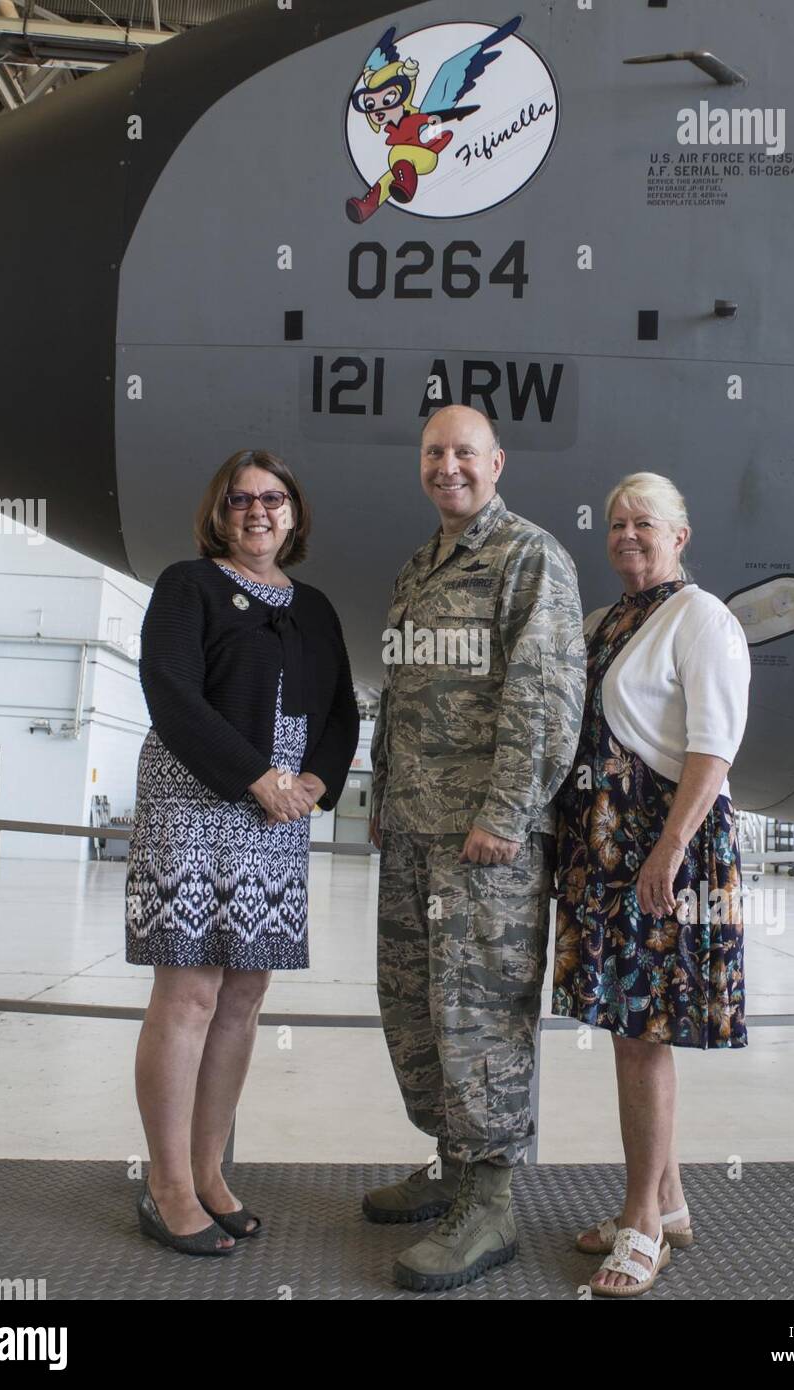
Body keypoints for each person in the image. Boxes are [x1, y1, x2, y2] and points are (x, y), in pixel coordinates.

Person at [366, 405, 586, 1291]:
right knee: (415, 1010)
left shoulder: (530, 556)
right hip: (413, 832)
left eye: (464, 452)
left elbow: (545, 696)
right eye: (433, 452)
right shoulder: (422, 565)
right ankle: (453, 1171)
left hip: (483, 845)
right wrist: (381, 797)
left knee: (479, 1019)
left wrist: (506, 812)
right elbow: (401, 694)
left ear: (497, 462)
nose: (447, 466)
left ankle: (489, 1208)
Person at [125, 449, 359, 1255]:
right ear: (219, 513)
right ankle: (165, 1186)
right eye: (240, 500)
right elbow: (171, 693)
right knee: (189, 993)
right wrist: (256, 778)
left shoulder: (318, 608)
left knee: (244, 995)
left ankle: (208, 1169)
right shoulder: (186, 587)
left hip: (282, 811)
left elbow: (341, 712)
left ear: (293, 512)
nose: (258, 511)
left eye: (273, 498)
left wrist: (313, 786)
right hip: (198, 798)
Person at [553, 471, 750, 1297]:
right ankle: (665, 1203)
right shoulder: (605, 623)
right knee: (628, 1030)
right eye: (616, 523)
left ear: (682, 535)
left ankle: (640, 1229)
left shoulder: (702, 617)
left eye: (646, 523)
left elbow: (714, 748)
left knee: (645, 1036)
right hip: (604, 854)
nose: (628, 534)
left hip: (661, 856)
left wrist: (667, 851)